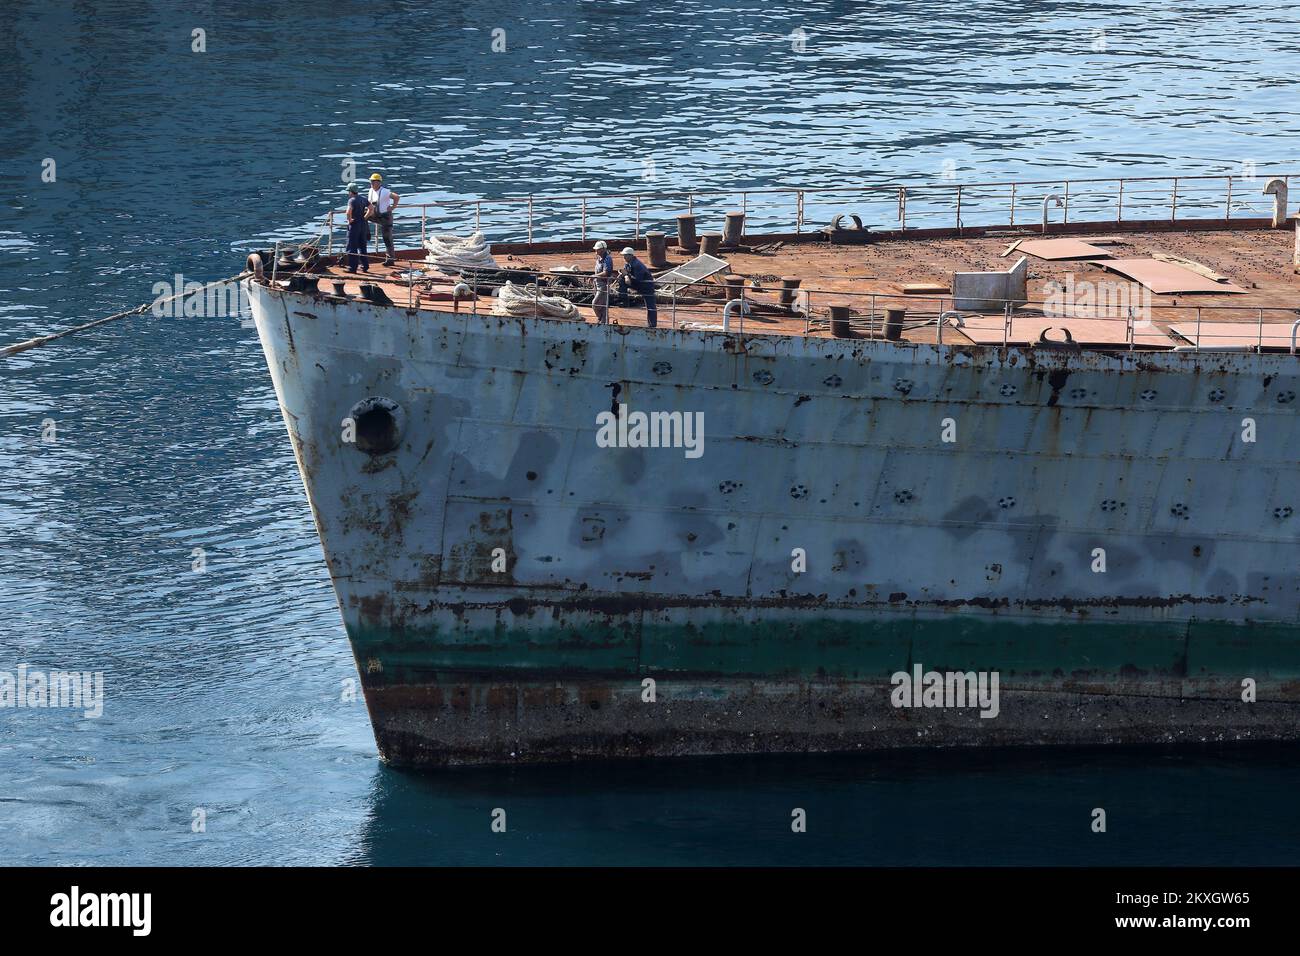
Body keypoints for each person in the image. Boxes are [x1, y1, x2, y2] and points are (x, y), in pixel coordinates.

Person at [618, 246, 657, 328]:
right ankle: (624, 300)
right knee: (622, 280)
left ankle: (652, 325)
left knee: (650, 306)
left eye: (625, 255)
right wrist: (625, 275)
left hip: (646, 287)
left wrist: (627, 276)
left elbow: (638, 279)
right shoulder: (628, 264)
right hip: (638, 284)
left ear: (630, 256)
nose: (624, 257)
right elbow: (624, 271)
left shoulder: (637, 265)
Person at [367, 173, 400, 266]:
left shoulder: (385, 191)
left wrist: (393, 207)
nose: (372, 183)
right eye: (371, 181)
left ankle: (390, 260)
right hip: (376, 215)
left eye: (373, 181)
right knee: (362, 217)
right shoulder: (370, 191)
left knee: (387, 239)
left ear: (379, 182)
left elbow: (396, 197)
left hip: (386, 217)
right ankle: (366, 234)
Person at [344, 184, 370, 273]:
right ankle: (365, 266)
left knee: (352, 246)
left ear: (351, 191)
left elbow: (348, 212)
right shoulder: (363, 199)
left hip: (354, 225)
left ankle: (352, 268)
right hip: (363, 224)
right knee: (363, 246)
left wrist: (350, 220)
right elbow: (372, 208)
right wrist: (365, 217)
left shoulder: (352, 200)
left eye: (348, 191)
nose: (348, 193)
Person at [591, 240, 613, 324]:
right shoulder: (599, 258)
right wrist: (594, 278)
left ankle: (600, 318)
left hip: (603, 284)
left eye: (597, 249)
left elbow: (606, 272)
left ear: (603, 249)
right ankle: (604, 321)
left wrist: (594, 276)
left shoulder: (607, 259)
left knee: (595, 303)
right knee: (603, 305)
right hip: (597, 283)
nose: (596, 251)